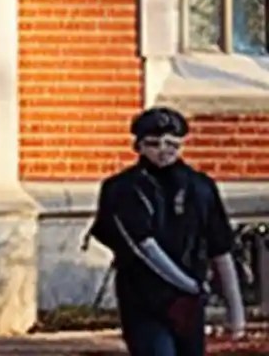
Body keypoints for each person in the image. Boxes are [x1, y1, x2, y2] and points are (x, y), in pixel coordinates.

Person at [87, 107, 246, 356]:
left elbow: (220, 246)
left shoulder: (200, 186)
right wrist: (191, 285)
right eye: (153, 143)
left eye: (172, 144)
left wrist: (236, 312)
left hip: (188, 300)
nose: (163, 150)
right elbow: (144, 246)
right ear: (138, 146)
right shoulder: (123, 188)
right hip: (144, 297)